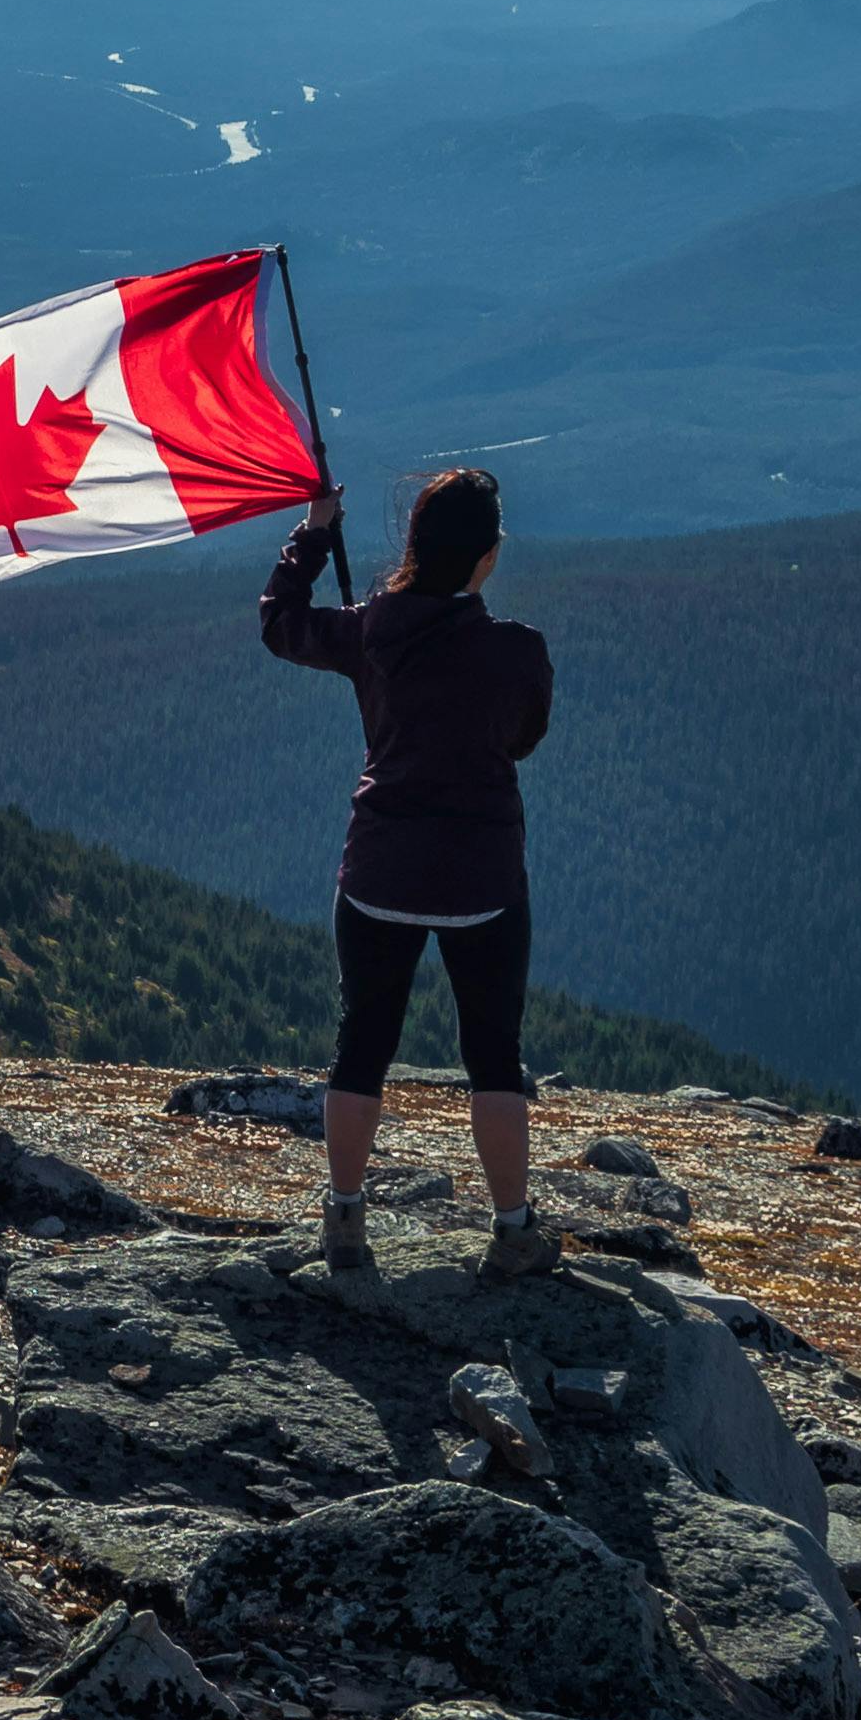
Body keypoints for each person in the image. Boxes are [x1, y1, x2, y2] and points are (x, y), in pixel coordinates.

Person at [255, 461, 557, 1277]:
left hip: (378, 871)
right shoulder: (518, 649)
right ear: (487, 556)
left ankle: (344, 1220)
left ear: (415, 544)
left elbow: (280, 622)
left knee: (361, 1045)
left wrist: (313, 532)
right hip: (481, 880)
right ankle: (512, 1229)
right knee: (493, 1055)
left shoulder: (369, 630)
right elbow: (519, 738)